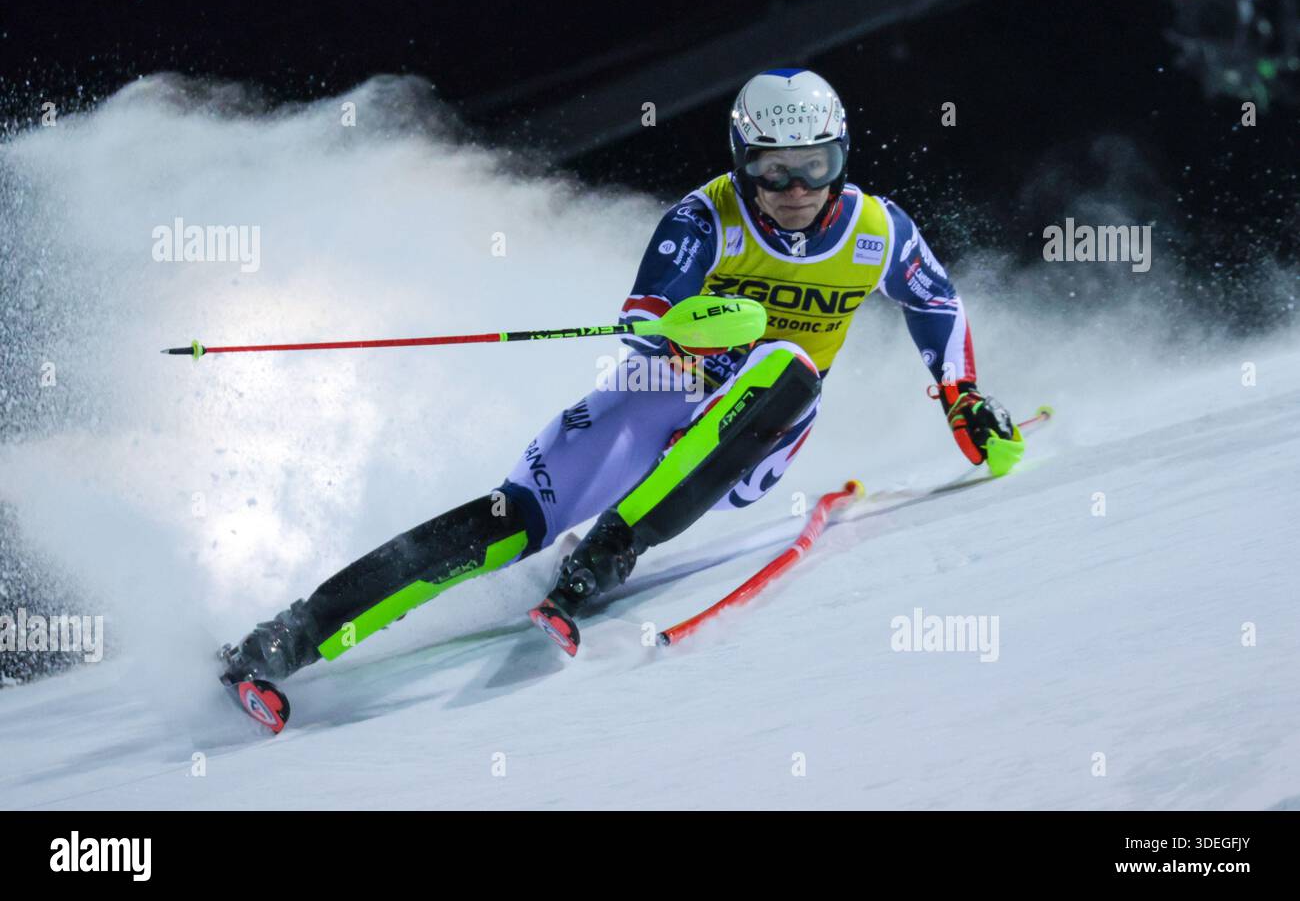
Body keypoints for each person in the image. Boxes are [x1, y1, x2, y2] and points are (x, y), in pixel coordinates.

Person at [219, 68, 1021, 682]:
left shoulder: (878, 230)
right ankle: (288, 638)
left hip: (758, 435)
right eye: (774, 173)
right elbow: (645, 314)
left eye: (815, 168)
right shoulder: (706, 217)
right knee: (514, 514)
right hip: (667, 393)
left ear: (841, 158)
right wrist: (680, 335)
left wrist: (964, 401)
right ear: (743, 165)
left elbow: (938, 307)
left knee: (786, 362)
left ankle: (607, 553)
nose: (797, 193)